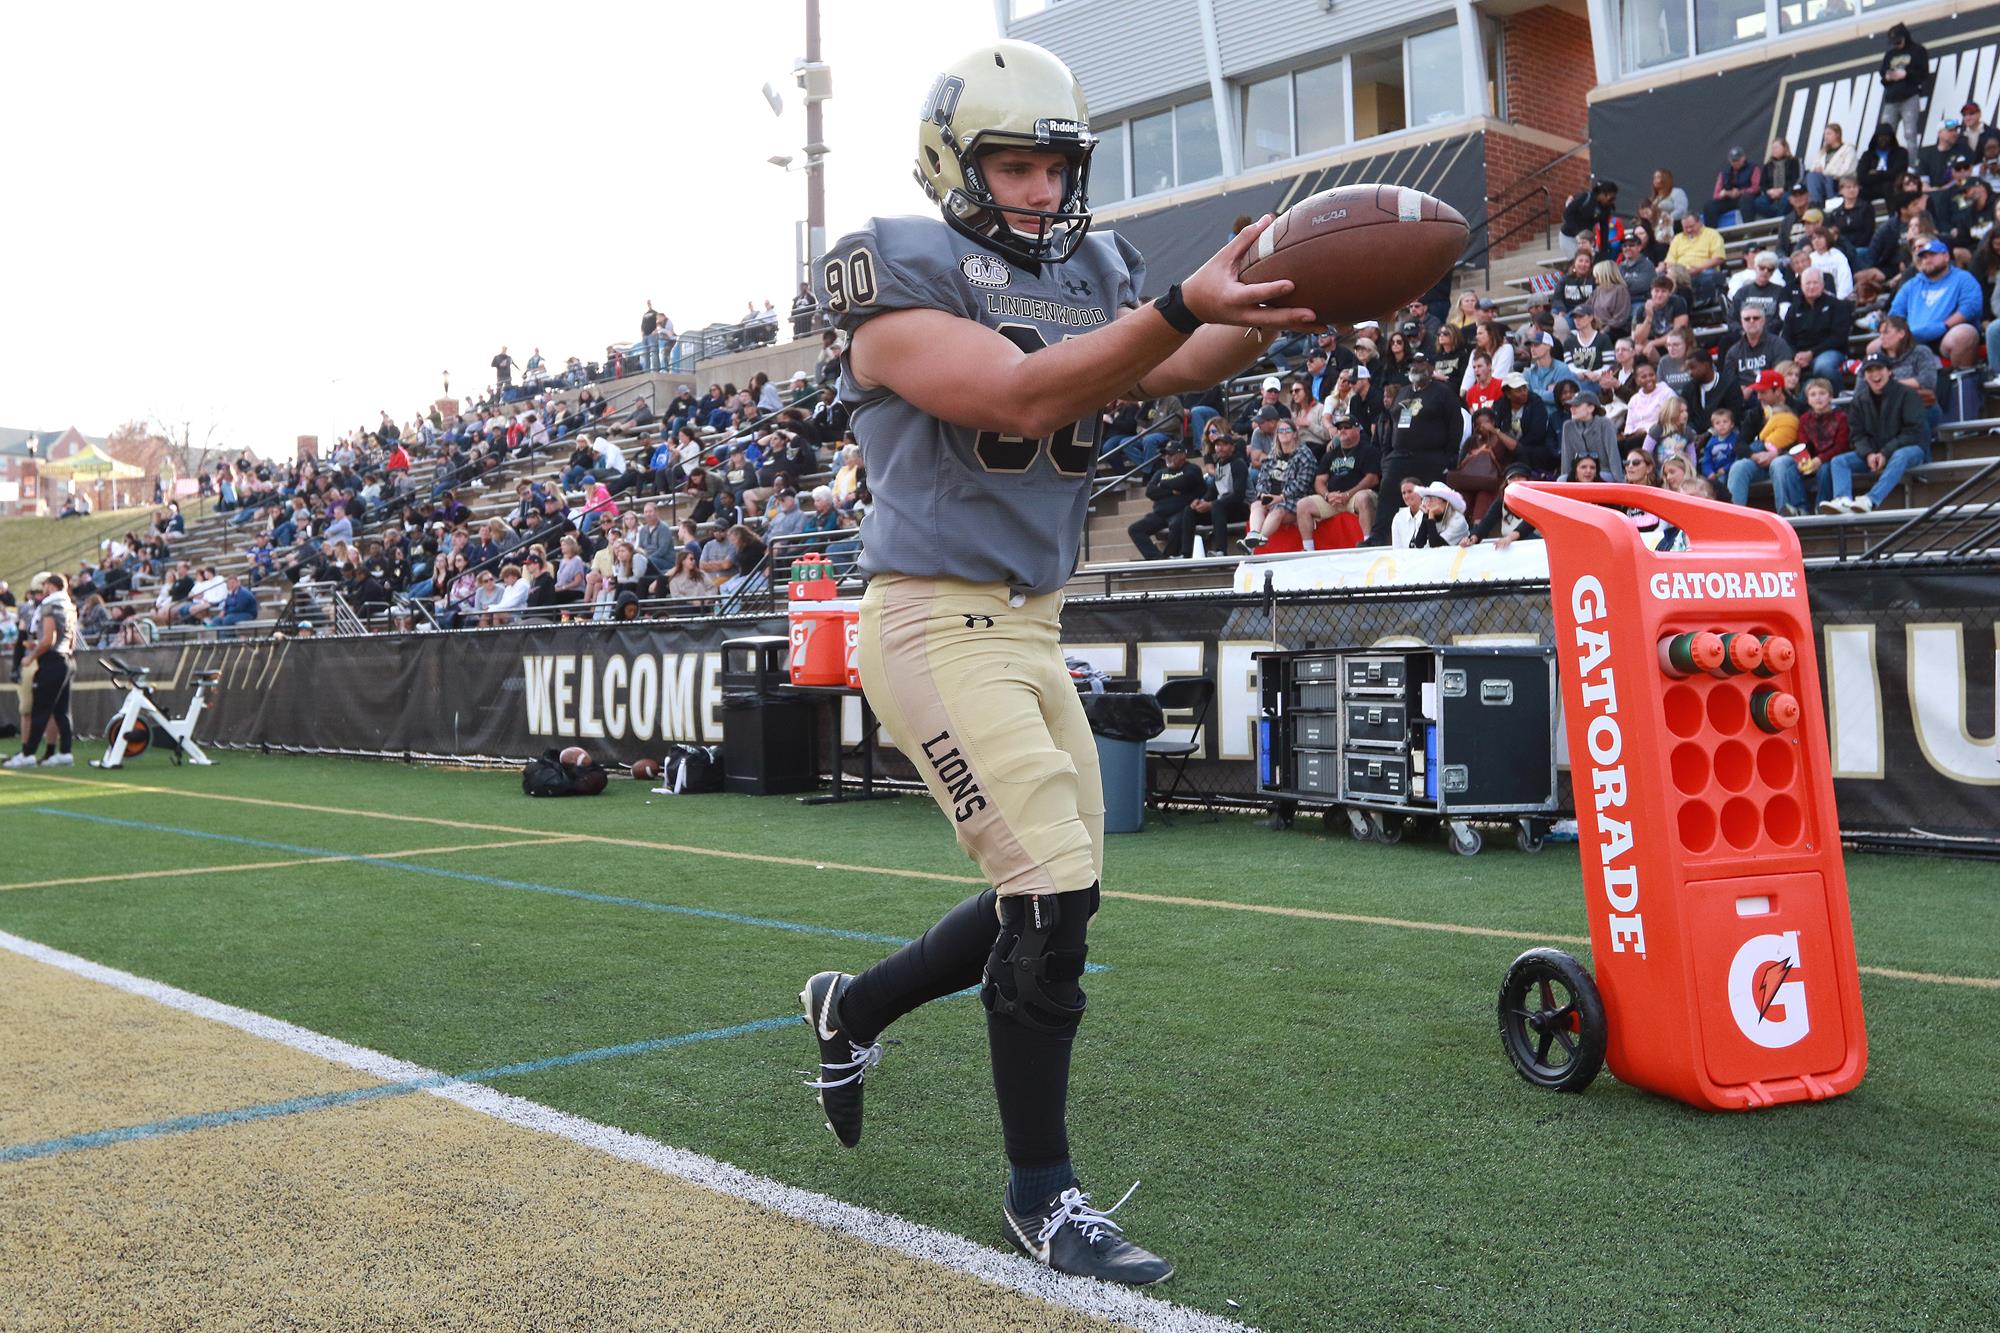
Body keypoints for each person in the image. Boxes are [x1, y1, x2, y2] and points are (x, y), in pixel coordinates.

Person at [795, 39, 1313, 1287]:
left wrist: (1270, 304)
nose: (1038, 189)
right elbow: (1019, 398)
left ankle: (849, 1009)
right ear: (956, 168)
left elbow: (1176, 358)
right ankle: (1044, 1194)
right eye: (1013, 165)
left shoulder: (1092, 269)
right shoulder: (896, 273)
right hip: (926, 619)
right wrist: (1180, 306)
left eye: (1053, 165)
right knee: (1047, 891)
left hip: (1030, 622)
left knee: (1060, 884)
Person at [1820, 354, 1928, 514]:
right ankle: (1842, 500)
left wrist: (1884, 452)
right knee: (1839, 461)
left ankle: (1871, 500)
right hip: (1875, 453)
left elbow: (1913, 432)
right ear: (1864, 375)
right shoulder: (1859, 399)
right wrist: (1869, 454)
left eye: (1879, 368)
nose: (1875, 374)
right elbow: (1857, 434)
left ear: (1889, 371)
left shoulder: (1907, 394)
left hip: (1911, 450)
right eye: (1869, 370)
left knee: (1901, 455)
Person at [5, 574, 76, 769]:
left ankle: (28, 754)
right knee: (62, 711)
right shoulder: (70, 606)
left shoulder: (49, 606)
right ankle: (65, 752)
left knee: (39, 710)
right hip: (67, 660)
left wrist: (31, 656)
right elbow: (71, 641)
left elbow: (48, 640)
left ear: (50, 586)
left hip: (52, 661)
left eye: (44, 586)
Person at [1888, 238, 1984, 368]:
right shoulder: (1911, 285)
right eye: (1923, 257)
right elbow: (1895, 314)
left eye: (1932, 255)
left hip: (1946, 335)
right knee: (1874, 347)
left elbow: (1971, 307)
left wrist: (1944, 325)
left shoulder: (1963, 278)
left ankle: (1960, 384)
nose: (1927, 260)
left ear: (1945, 256)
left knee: (1964, 334)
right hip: (1913, 338)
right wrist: (1904, 335)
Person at [1174, 430, 1249, 557]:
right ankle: (1185, 553)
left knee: (1216, 506)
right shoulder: (1219, 464)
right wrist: (1201, 501)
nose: (1220, 448)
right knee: (1189, 510)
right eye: (1217, 445)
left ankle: (1221, 551)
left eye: (1224, 444)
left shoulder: (1238, 464)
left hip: (1242, 507)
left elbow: (1239, 495)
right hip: (1223, 507)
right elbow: (1214, 490)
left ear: (1232, 447)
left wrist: (1212, 504)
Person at [1878, 23, 1929, 153]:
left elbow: (1923, 73)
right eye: (1894, 42)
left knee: (1910, 134)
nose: (1896, 45)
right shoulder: (1890, 54)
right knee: (1884, 135)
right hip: (1891, 99)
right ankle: (1886, 166)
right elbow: (1883, 75)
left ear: (1905, 37)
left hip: (1909, 97)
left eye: (1898, 41)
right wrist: (1888, 78)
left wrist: (1906, 74)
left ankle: (1912, 167)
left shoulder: (1918, 50)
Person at [1804, 124, 1857, 204]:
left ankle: (1821, 204)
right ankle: (1816, 204)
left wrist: (1825, 171)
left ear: (1838, 134)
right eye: (1825, 134)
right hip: (1821, 180)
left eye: (1829, 134)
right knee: (1811, 176)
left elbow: (1847, 169)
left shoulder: (1848, 149)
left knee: (1824, 178)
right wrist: (1817, 169)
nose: (1826, 137)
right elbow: (1813, 167)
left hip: (1839, 180)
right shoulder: (1822, 151)